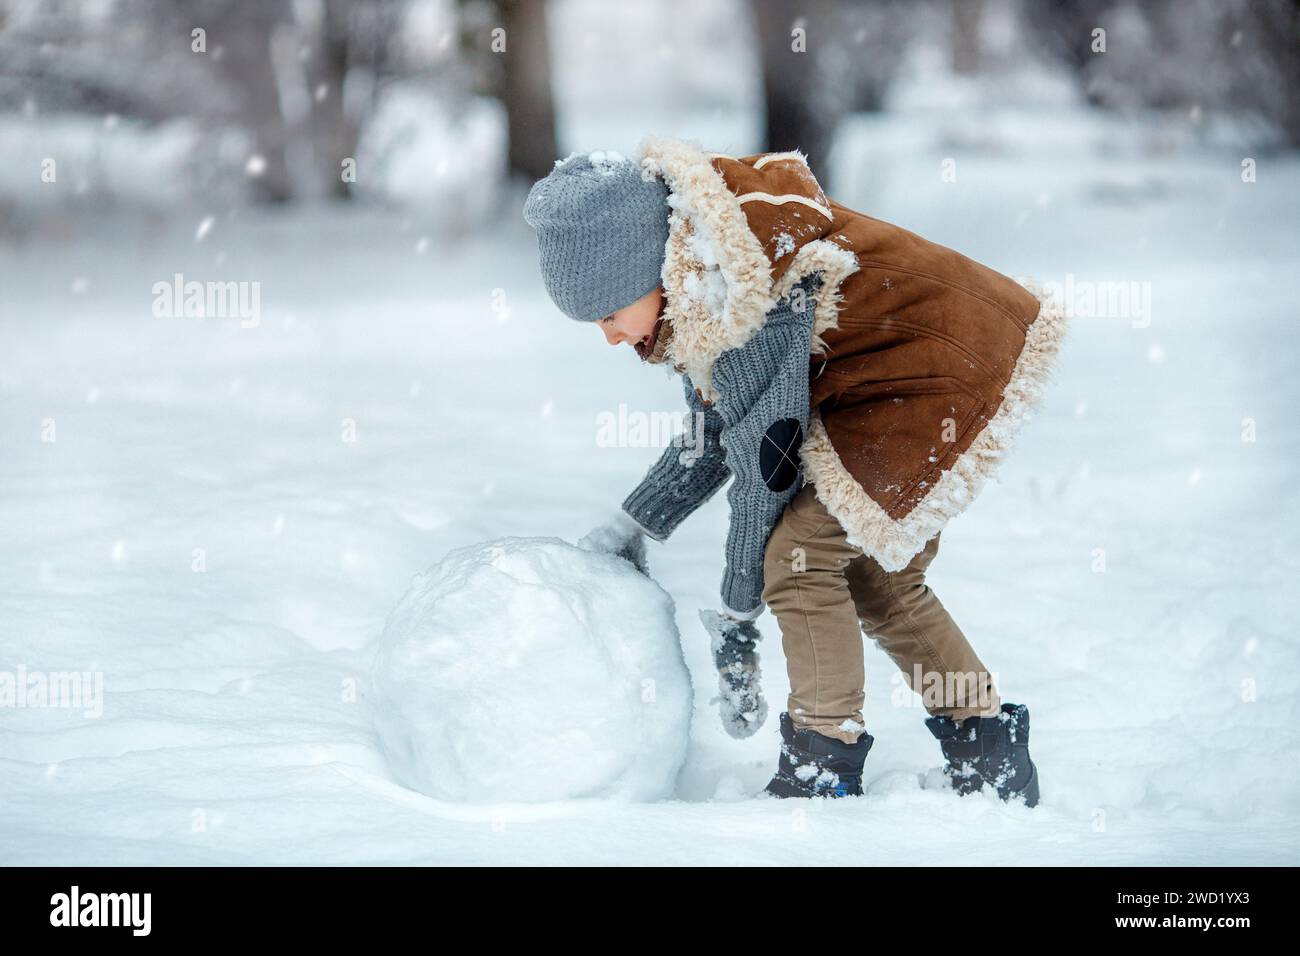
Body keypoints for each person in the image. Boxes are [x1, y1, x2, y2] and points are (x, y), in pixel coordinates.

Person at [523, 140, 1065, 805]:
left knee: (800, 557)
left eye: (609, 314)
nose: (608, 336)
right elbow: (720, 425)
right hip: (906, 376)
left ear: (648, 272)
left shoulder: (748, 290)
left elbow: (766, 465)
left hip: (935, 379)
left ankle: (822, 765)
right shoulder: (704, 275)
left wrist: (736, 611)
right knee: (879, 574)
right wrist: (636, 522)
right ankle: (989, 750)